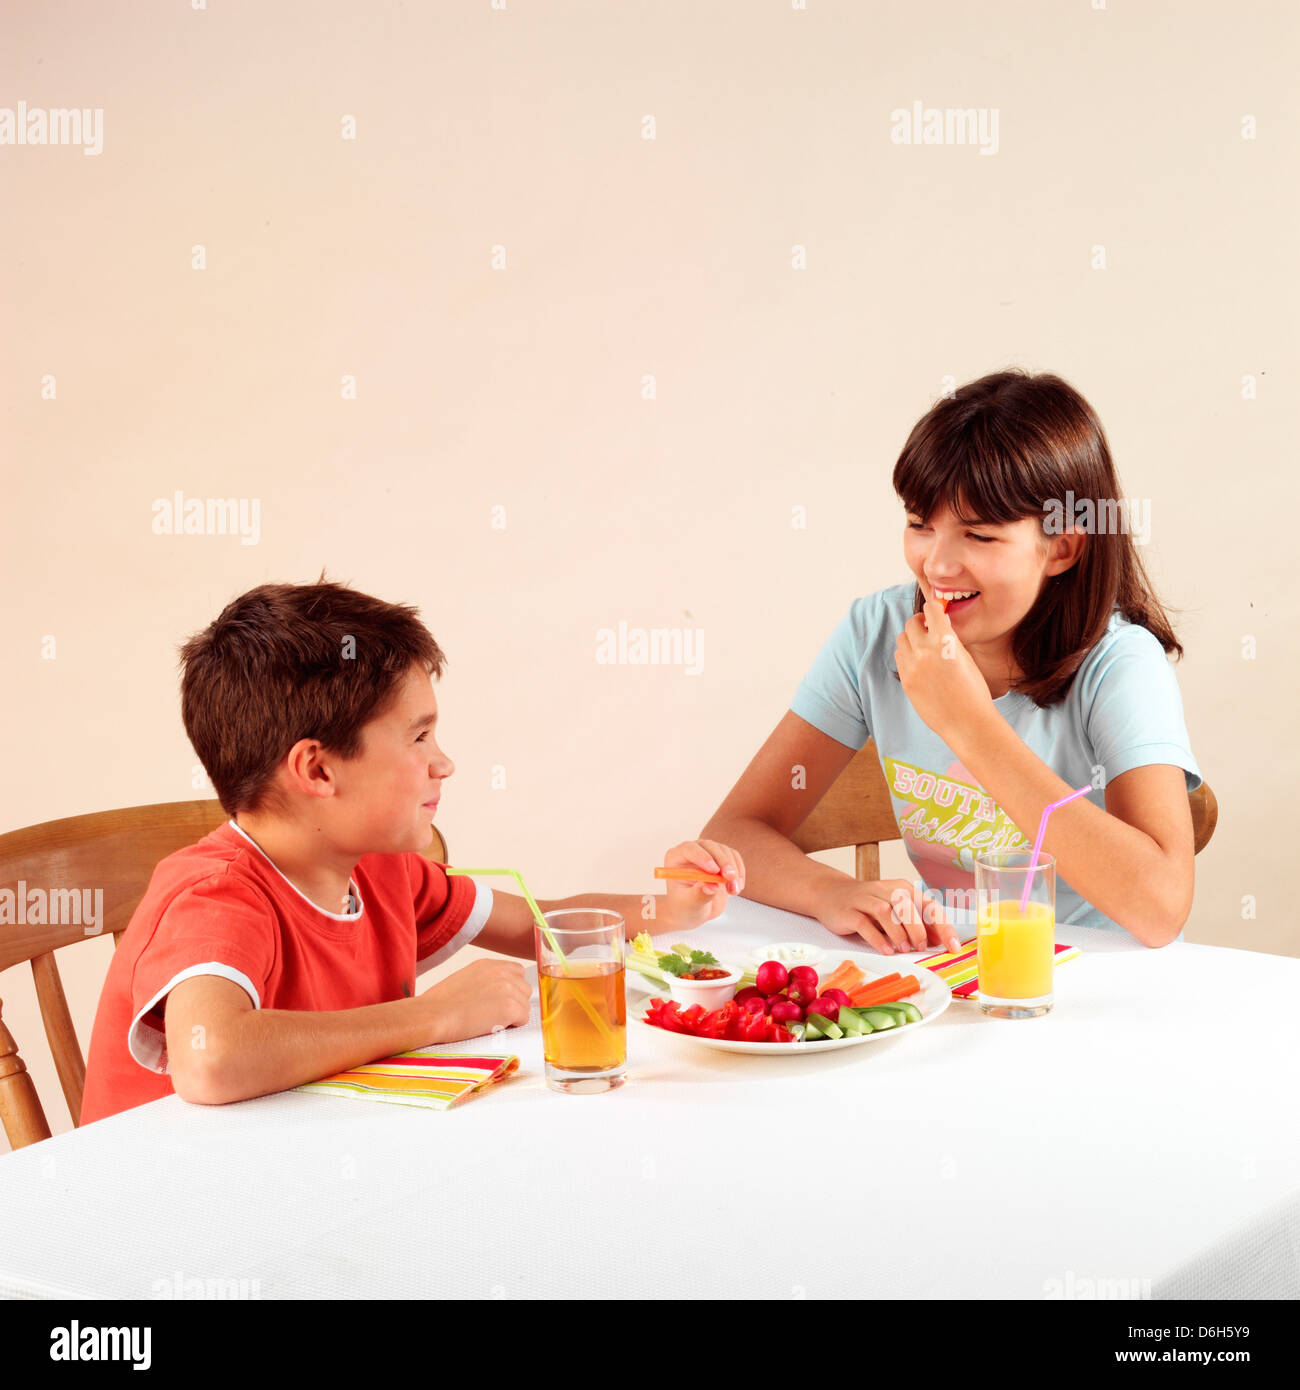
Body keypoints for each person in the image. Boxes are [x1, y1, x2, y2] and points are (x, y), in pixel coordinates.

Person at [80, 578, 745, 1123]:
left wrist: (674, 905)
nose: (445, 763)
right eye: (418, 738)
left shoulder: (379, 870)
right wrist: (436, 1015)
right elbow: (212, 1056)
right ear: (317, 771)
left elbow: (545, 923)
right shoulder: (217, 895)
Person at [702, 368, 1201, 953]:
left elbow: (1160, 908)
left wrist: (968, 723)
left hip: (1099, 979)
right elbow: (735, 832)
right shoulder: (875, 633)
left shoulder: (1120, 664)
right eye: (920, 524)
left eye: (980, 536)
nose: (936, 566)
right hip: (952, 968)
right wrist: (828, 892)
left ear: (1062, 547)